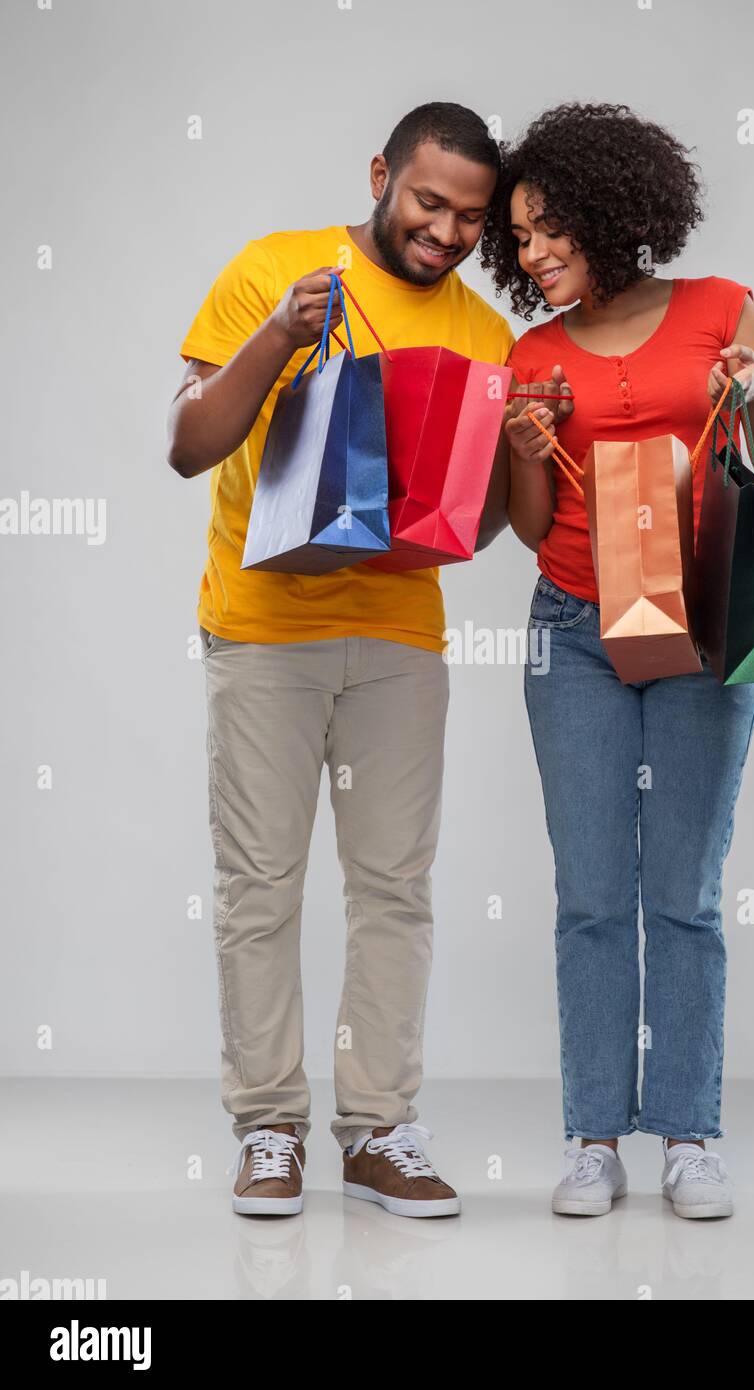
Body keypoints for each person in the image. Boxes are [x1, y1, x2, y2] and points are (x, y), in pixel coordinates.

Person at [167, 103, 515, 1219]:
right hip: (263, 631)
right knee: (260, 887)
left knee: (394, 890)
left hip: (400, 638)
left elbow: (474, 525)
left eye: (470, 217)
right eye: (428, 202)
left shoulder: (485, 334)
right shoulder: (275, 268)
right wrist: (278, 334)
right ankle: (268, 1128)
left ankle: (377, 1130)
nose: (446, 232)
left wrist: (515, 450)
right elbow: (187, 445)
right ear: (380, 175)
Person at [481, 102, 754, 1218]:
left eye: (548, 226)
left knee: (683, 894)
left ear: (610, 208)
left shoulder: (722, 308)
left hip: (699, 621)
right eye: (519, 238)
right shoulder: (532, 353)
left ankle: (688, 1134)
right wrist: (527, 451)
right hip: (574, 627)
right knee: (588, 894)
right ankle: (591, 1139)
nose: (533, 253)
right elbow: (531, 529)